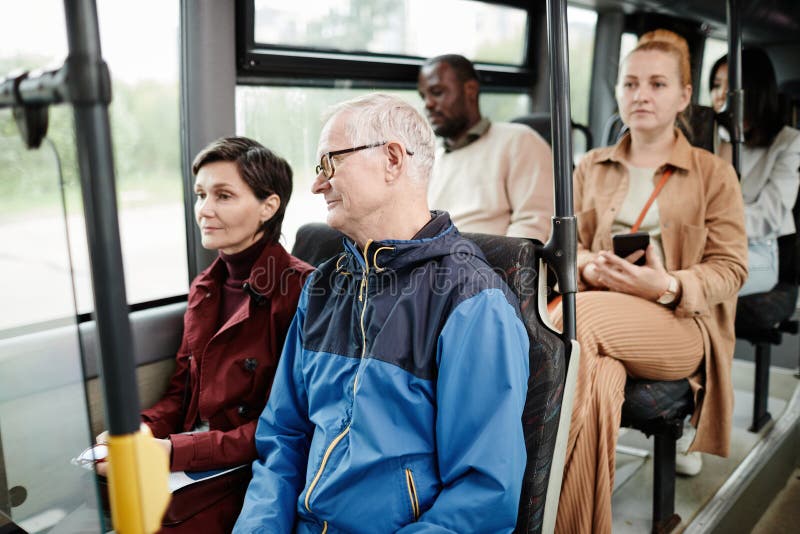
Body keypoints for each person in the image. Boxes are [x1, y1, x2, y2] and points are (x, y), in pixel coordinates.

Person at [234, 93, 530, 533]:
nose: (317, 185)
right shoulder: (322, 287)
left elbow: (481, 499)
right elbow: (283, 437)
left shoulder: (472, 304)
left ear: (393, 159)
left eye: (329, 163)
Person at [552, 30, 748, 533]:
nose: (641, 94)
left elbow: (731, 270)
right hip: (600, 306)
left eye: (658, 84)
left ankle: (524, 482)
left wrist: (664, 284)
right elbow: (564, 247)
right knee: (597, 378)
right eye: (631, 83)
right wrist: (587, 266)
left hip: (678, 322)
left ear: (685, 96)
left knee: (571, 318)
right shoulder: (590, 165)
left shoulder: (713, 174)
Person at [97, 136, 314, 532]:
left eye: (223, 196)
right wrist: (142, 429)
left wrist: (171, 450)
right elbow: (182, 393)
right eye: (200, 195)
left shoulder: (301, 290)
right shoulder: (205, 286)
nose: (204, 210)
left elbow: (284, 426)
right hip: (194, 460)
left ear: (269, 206)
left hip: (254, 469)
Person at [418, 53, 554, 241]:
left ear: (471, 90)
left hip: (489, 266)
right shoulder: (431, 161)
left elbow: (535, 223)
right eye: (423, 96)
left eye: (437, 92)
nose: (428, 104)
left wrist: (494, 270)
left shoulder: (519, 140)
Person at [709, 48, 800, 296]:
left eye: (729, 89)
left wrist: (709, 226)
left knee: (702, 280)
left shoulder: (788, 142)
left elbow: (768, 216)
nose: (720, 96)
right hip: (706, 245)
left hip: (757, 249)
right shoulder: (708, 138)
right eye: (716, 86)